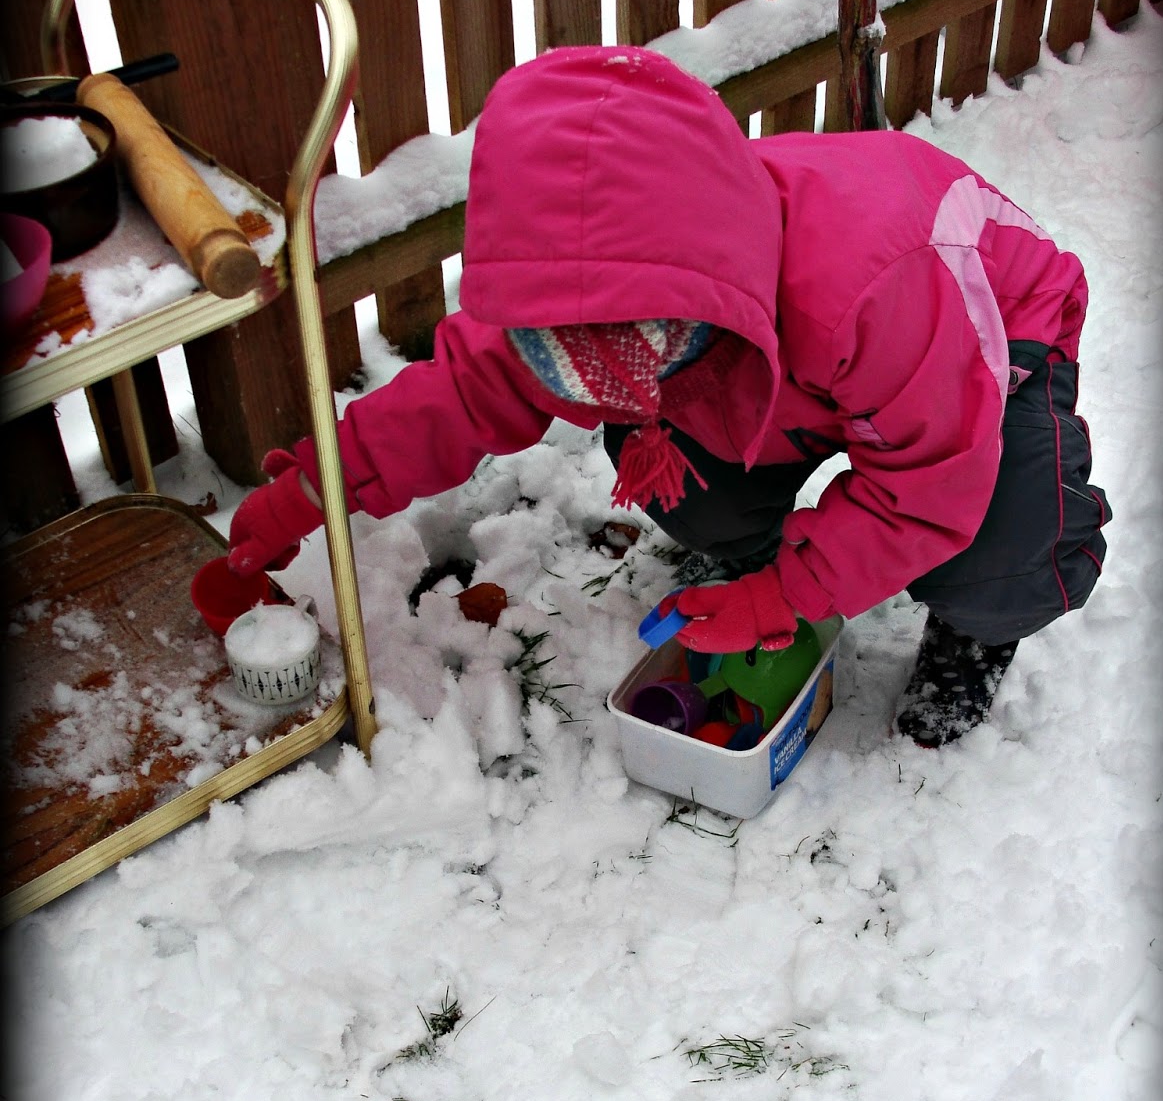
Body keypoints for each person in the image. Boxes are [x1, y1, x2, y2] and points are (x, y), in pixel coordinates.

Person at [228, 44, 1110, 748]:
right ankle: (758, 548)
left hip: (988, 338)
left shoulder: (873, 285)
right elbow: (465, 390)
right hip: (765, 364)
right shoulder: (572, 287)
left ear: (696, 291)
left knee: (1001, 534)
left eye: (636, 356)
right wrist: (319, 483)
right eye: (566, 362)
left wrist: (789, 597)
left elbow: (929, 477)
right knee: (679, 477)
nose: (595, 375)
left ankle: (981, 626)